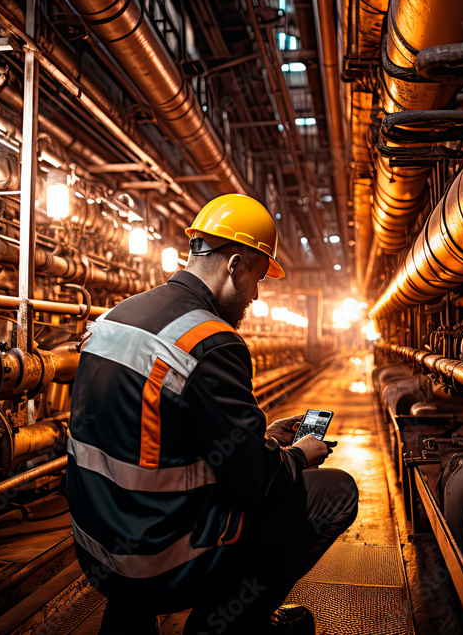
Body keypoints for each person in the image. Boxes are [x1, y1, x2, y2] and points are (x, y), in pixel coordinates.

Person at [66, 194, 359, 634]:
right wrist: (298, 455)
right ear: (234, 265)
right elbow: (254, 485)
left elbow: (156, 438)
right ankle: (225, 625)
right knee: (337, 491)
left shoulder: (114, 318)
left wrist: (264, 439)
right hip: (155, 562)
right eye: (257, 279)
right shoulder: (211, 341)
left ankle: (127, 620)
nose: (256, 296)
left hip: (95, 550)